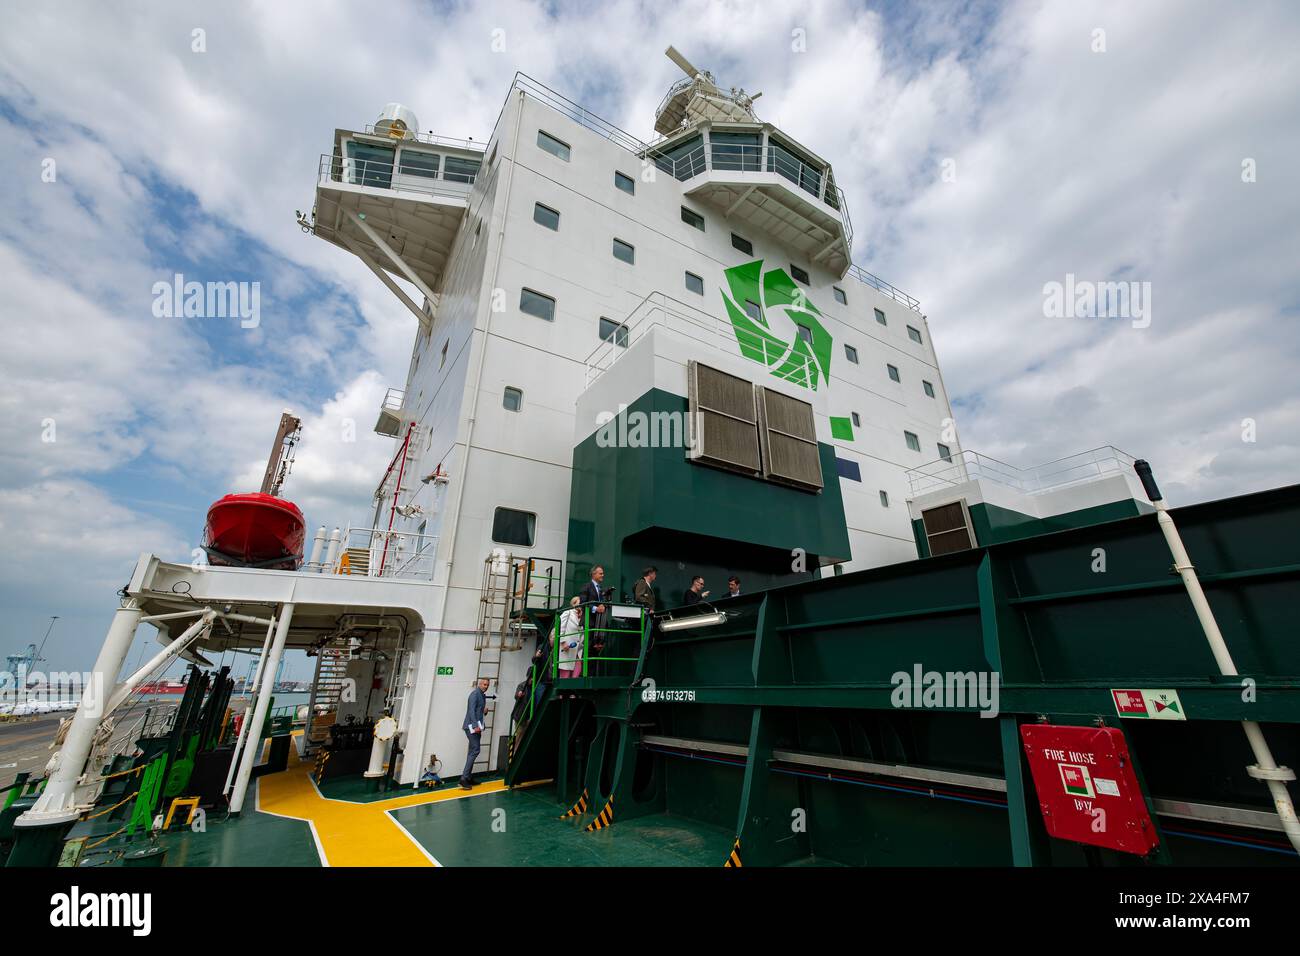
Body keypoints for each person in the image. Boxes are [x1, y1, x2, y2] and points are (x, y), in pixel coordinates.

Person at [459, 677, 490, 790]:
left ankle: (468, 777)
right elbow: (471, 711)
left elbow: (477, 710)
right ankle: (464, 778)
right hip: (472, 727)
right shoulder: (475, 694)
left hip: (476, 727)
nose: (486, 686)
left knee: (472, 751)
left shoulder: (482, 695)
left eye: (487, 685)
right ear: (479, 684)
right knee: (476, 750)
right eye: (484, 684)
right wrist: (475, 725)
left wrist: (483, 711)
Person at [579, 565, 608, 670]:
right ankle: (584, 674)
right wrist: (596, 608)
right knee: (588, 648)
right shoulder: (586, 586)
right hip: (589, 623)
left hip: (600, 624)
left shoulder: (601, 589)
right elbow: (583, 603)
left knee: (596, 651)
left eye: (603, 573)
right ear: (594, 574)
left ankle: (593, 673)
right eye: (600, 573)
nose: (602, 575)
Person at [556, 596, 585, 679]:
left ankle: (573, 687)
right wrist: (563, 642)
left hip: (579, 647)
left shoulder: (584, 615)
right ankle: (564, 690)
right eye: (578, 603)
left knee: (578, 665)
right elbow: (560, 627)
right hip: (567, 645)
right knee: (566, 669)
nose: (580, 604)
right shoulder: (567, 613)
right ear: (573, 604)